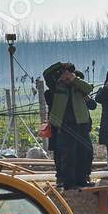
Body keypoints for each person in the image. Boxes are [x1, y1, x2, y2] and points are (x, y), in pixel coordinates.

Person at [42, 61, 95, 189]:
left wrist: (74, 80)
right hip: (65, 124)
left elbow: (89, 88)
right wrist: (61, 65)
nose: (67, 77)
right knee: (68, 155)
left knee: (85, 152)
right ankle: (69, 183)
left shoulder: (79, 86)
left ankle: (82, 180)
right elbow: (47, 73)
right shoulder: (57, 86)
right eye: (65, 75)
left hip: (81, 123)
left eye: (70, 75)